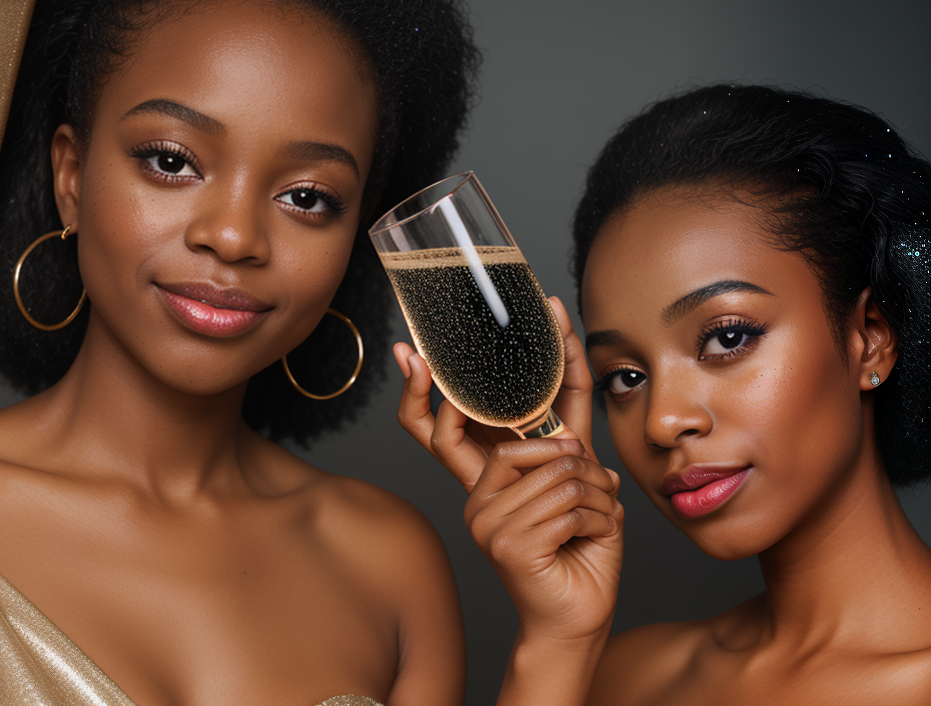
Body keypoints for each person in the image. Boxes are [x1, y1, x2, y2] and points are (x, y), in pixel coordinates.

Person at [0, 0, 479, 703]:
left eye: (308, 197)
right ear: (70, 176)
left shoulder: (390, 561)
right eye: (172, 160)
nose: (235, 236)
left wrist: (558, 641)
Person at [396, 84, 931, 704]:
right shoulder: (630, 679)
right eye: (625, 376)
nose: (661, 422)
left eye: (728, 337)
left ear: (871, 339)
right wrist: (557, 640)